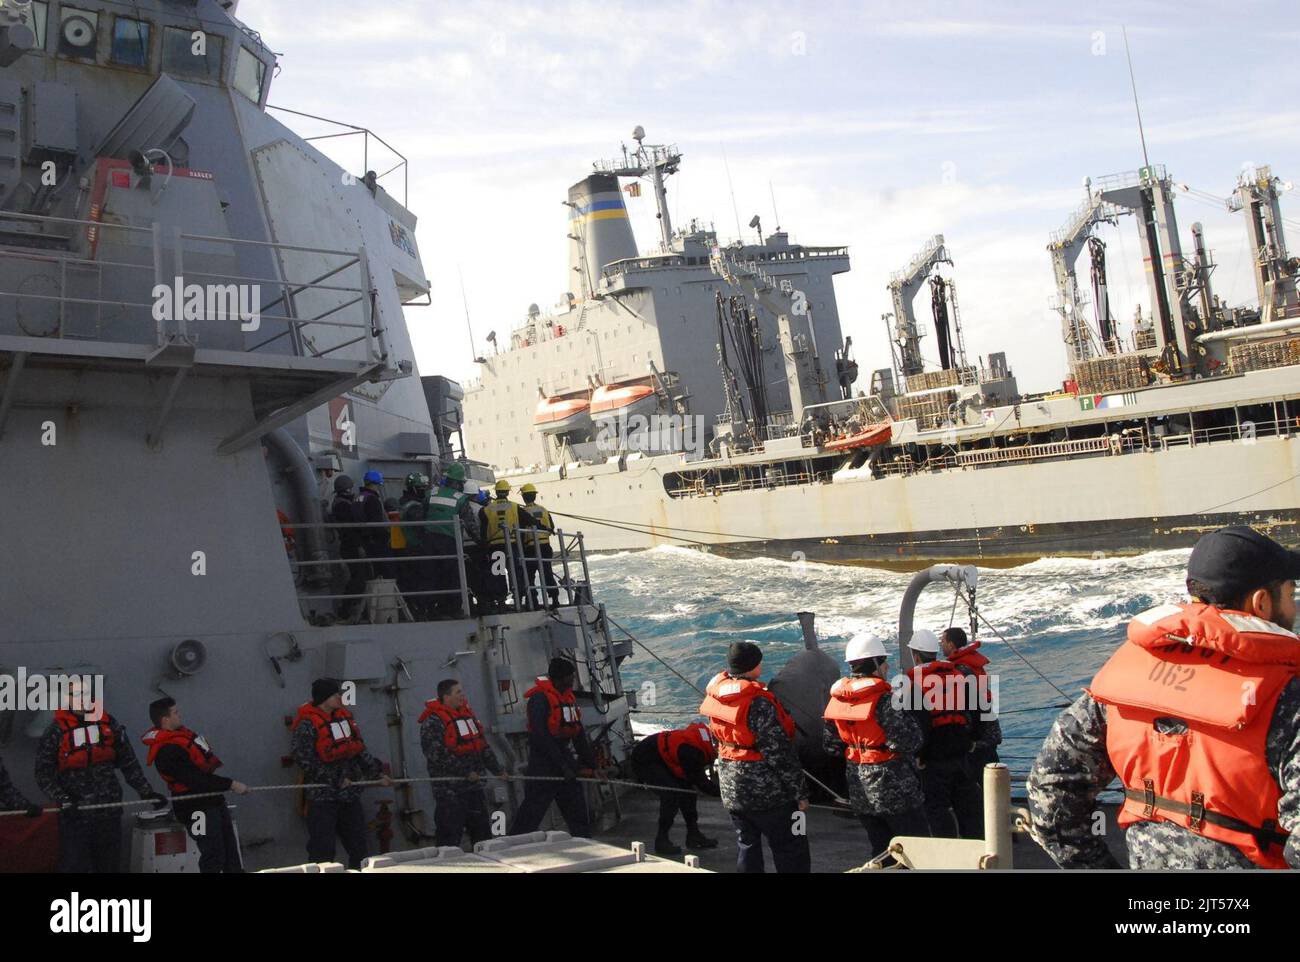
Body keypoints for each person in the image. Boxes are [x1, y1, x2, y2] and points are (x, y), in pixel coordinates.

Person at [1028, 526, 1300, 869]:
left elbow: (1049, 793)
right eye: (1291, 595)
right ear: (1261, 602)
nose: (1294, 608)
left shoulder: (1121, 683)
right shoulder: (1287, 697)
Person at [699, 641, 810, 873]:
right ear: (755, 666)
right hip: (769, 794)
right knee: (791, 846)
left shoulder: (716, 697)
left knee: (747, 845)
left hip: (732, 791)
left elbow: (716, 741)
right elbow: (779, 754)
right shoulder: (759, 702)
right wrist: (800, 793)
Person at [35, 680, 166, 872]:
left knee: (109, 865)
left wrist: (146, 792)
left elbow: (128, 761)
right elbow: (43, 773)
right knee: (75, 866)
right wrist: (62, 800)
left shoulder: (108, 724)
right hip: (76, 816)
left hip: (109, 812)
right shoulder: (55, 732)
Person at [824, 633, 930, 860]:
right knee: (917, 850)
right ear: (875, 665)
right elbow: (910, 740)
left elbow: (830, 746)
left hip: (859, 789)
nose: (887, 666)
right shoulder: (885, 700)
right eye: (883, 662)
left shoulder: (837, 700)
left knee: (881, 852)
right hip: (896, 788)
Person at [290, 678, 393, 869]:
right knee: (323, 850)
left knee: (359, 847)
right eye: (335, 694)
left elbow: (359, 751)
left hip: (349, 796)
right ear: (324, 698)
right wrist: (335, 779)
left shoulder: (344, 720)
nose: (340, 697)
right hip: (323, 798)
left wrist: (376, 773)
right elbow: (304, 760)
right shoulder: (307, 725)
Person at [142, 697, 249, 873]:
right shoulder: (167, 751)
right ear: (165, 720)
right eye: (175, 712)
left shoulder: (183, 737)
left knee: (230, 851)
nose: (180, 715)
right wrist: (231, 784)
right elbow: (195, 780)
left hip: (212, 801)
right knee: (213, 853)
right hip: (194, 807)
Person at [906, 628, 983, 839]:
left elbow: (918, 724)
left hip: (934, 761)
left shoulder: (914, 684)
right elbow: (977, 711)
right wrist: (971, 740)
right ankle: (977, 855)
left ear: (916, 655)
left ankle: (949, 856)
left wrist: (919, 754)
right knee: (968, 809)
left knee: (937, 811)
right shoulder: (957, 675)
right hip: (961, 754)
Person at [510, 658, 599, 837]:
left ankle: (585, 841)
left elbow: (579, 735)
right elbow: (540, 736)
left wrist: (593, 767)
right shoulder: (540, 699)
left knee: (578, 812)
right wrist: (563, 766)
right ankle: (513, 845)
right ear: (559, 678)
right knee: (531, 813)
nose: (573, 679)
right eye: (569, 676)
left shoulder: (568, 699)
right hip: (543, 764)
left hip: (564, 758)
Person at [420, 679, 504, 849]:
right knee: (449, 840)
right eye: (458, 692)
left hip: (474, 789)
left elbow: (482, 746)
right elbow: (437, 755)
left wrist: (498, 769)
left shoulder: (468, 718)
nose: (462, 695)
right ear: (446, 696)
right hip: (450, 792)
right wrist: (466, 772)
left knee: (482, 837)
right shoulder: (433, 722)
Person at [629, 722, 719, 855]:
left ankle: (694, 836)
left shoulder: (700, 743)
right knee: (671, 795)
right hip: (645, 759)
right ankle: (661, 841)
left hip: (664, 756)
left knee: (688, 794)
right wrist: (728, 793)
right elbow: (703, 784)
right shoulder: (693, 752)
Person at [420, 463, 480, 618]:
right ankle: (453, 609)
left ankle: (429, 609)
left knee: (430, 574)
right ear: (459, 482)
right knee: (452, 575)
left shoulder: (431, 493)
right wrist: (481, 542)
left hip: (428, 540)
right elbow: (470, 525)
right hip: (448, 541)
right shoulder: (461, 499)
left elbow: (424, 513)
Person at [941, 626, 1002, 768]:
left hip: (977, 736)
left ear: (951, 645)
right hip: (988, 728)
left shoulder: (960, 669)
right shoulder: (971, 662)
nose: (941, 644)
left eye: (943, 641)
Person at [478, 479, 523, 613]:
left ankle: (501, 601)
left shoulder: (485, 510)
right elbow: (529, 520)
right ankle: (519, 599)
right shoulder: (515, 507)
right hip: (512, 544)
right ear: (508, 492)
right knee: (515, 572)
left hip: (495, 546)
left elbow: (483, 529)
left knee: (498, 573)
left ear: (496, 492)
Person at [518, 483, 560, 609]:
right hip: (545, 547)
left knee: (529, 575)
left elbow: (519, 530)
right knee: (547, 573)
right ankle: (555, 599)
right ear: (534, 496)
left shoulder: (522, 512)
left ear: (524, 497)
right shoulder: (544, 510)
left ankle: (533, 600)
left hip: (530, 548)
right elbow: (551, 527)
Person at [329, 474, 365, 621]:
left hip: (349, 544)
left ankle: (352, 607)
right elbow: (351, 528)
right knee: (358, 578)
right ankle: (346, 608)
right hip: (351, 545)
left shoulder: (339, 502)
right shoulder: (342, 505)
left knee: (358, 577)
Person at [399, 472, 433, 618]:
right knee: (422, 579)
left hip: (408, 548)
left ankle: (417, 608)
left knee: (412, 580)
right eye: (420, 488)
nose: (423, 490)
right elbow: (421, 528)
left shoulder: (404, 502)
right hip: (416, 547)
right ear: (413, 488)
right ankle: (422, 610)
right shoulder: (414, 507)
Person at [356, 470, 390, 565]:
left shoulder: (359, 497)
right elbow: (376, 522)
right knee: (383, 568)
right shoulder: (372, 499)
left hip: (362, 539)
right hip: (374, 540)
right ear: (375, 484)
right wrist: (386, 536)